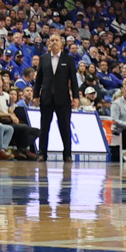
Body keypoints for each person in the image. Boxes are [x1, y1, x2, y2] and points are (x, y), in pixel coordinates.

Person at [36, 33, 76, 162]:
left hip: (63, 98)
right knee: (44, 127)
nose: (54, 42)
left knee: (65, 128)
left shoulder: (68, 59)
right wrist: (36, 95)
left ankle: (67, 154)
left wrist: (76, 97)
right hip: (46, 97)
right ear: (48, 43)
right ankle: (42, 153)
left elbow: (73, 80)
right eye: (52, 40)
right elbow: (39, 79)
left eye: (56, 40)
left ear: (61, 44)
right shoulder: (43, 58)